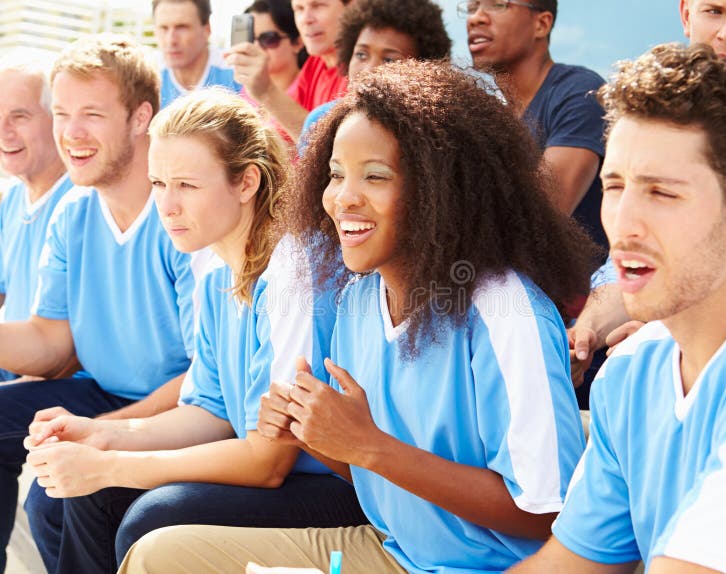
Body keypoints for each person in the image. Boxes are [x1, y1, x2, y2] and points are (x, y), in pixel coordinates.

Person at [118, 59, 593, 574]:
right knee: (158, 556)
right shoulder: (359, 300)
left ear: (442, 190)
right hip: (390, 552)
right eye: (336, 174)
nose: (343, 197)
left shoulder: (504, 309)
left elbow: (546, 515)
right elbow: (373, 474)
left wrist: (370, 447)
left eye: (375, 176)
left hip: (487, 567)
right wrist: (314, 435)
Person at [23, 88, 367, 574]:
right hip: (272, 472)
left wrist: (111, 464)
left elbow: (269, 462)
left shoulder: (292, 270)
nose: (167, 206)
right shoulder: (214, 273)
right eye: (158, 183)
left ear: (246, 182)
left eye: (186, 185)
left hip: (337, 491)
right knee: (84, 496)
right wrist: (102, 435)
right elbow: (208, 412)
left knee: (151, 513)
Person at [510, 42, 726, 574]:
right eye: (615, 186)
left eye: (662, 193)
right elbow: (571, 565)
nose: (624, 223)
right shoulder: (631, 373)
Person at [0, 35, 206, 573]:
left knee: (51, 499)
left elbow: (203, 378)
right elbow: (50, 344)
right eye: (62, 113)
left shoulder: (180, 217)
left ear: (141, 117)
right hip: (101, 391)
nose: (71, 133)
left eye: (91, 114)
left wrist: (107, 433)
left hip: (182, 408)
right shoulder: (73, 212)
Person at [569, 0, 726, 386]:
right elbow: (632, 259)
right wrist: (586, 330)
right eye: (713, 11)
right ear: (686, 15)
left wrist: (679, 331)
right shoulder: (654, 112)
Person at [463, 0, 607, 252]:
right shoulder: (489, 121)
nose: (476, 18)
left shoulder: (580, 92)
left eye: (498, 5)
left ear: (541, 24)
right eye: (472, 7)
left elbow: (538, 219)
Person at [0, 56, 71, 382]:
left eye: (19, 117)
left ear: (56, 119)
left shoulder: (79, 200)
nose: (4, 131)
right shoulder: (13, 198)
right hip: (12, 367)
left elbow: (74, 345)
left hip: (54, 379)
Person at [299, 0, 452, 140]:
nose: (369, 69)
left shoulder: (436, 134)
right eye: (361, 55)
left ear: (422, 71)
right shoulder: (319, 122)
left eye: (389, 60)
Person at [227, 0, 350, 142]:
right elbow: (287, 137)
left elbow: (331, 149)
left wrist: (266, 92)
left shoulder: (363, 69)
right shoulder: (314, 63)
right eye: (299, 9)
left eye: (318, 6)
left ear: (352, 6)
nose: (306, 19)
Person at [153, 0, 241, 107]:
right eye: (163, 28)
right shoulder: (149, 76)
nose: (170, 40)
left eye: (182, 27)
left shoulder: (236, 71)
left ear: (207, 30)